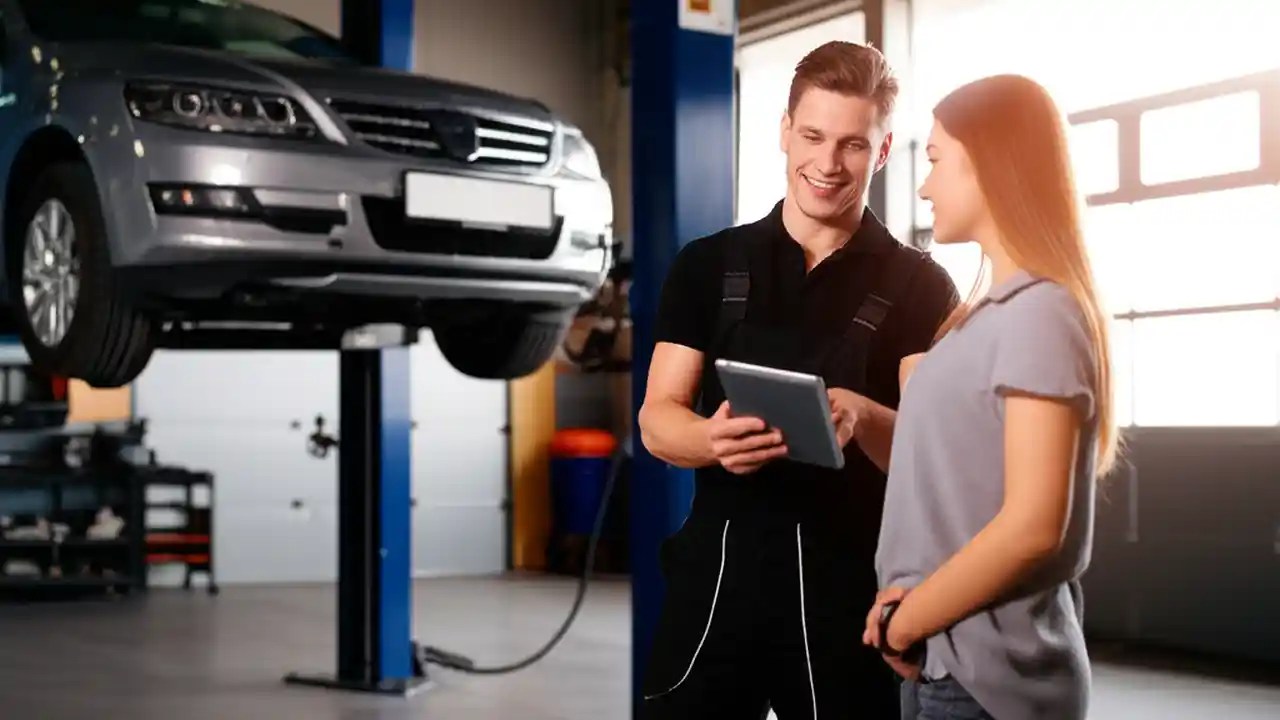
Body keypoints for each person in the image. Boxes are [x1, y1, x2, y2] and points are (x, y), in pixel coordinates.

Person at [637, 41, 959, 718]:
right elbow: (658, 418)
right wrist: (711, 441)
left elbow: (933, 456)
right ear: (784, 131)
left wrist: (865, 417)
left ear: (881, 150)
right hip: (718, 578)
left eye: (852, 144)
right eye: (812, 136)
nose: (828, 163)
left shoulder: (920, 286)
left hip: (848, 588)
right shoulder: (707, 265)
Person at [864, 73, 1120, 720]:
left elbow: (1034, 527)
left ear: (987, 164)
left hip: (984, 679)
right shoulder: (984, 315)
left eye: (935, 161)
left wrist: (905, 620)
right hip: (941, 657)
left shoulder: (1040, 313)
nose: (924, 186)